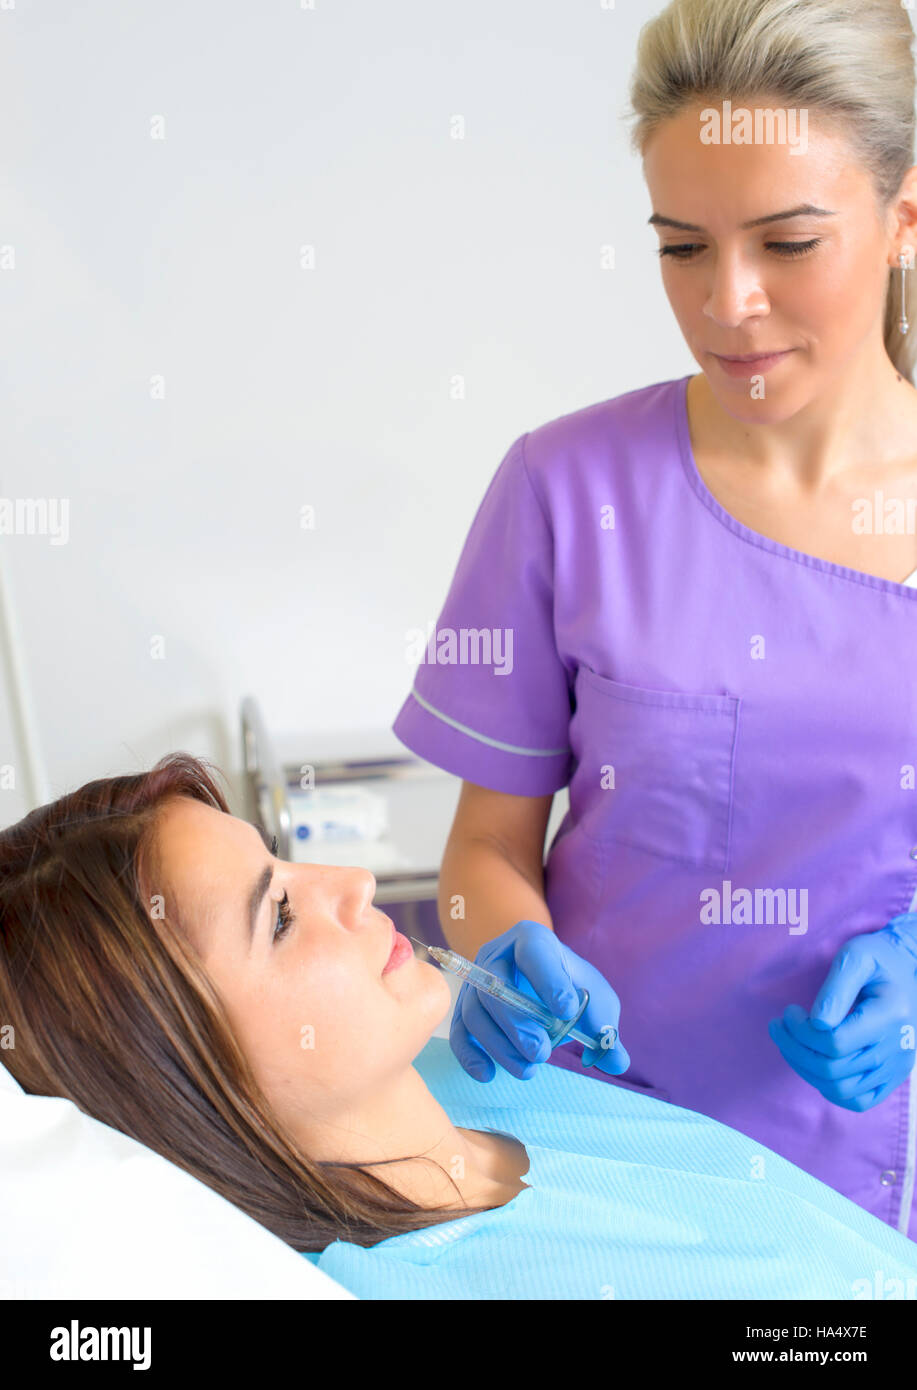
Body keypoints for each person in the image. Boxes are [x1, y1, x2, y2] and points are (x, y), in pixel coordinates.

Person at [392, 0, 917, 1241]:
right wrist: (503, 946)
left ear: (902, 219)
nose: (726, 303)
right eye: (681, 247)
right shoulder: (566, 490)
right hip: (609, 1159)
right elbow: (482, 854)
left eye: (786, 242)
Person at [3, 752, 917, 1299]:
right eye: (278, 915)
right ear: (183, 1076)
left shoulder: (464, 1080)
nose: (349, 881)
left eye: (282, 859)